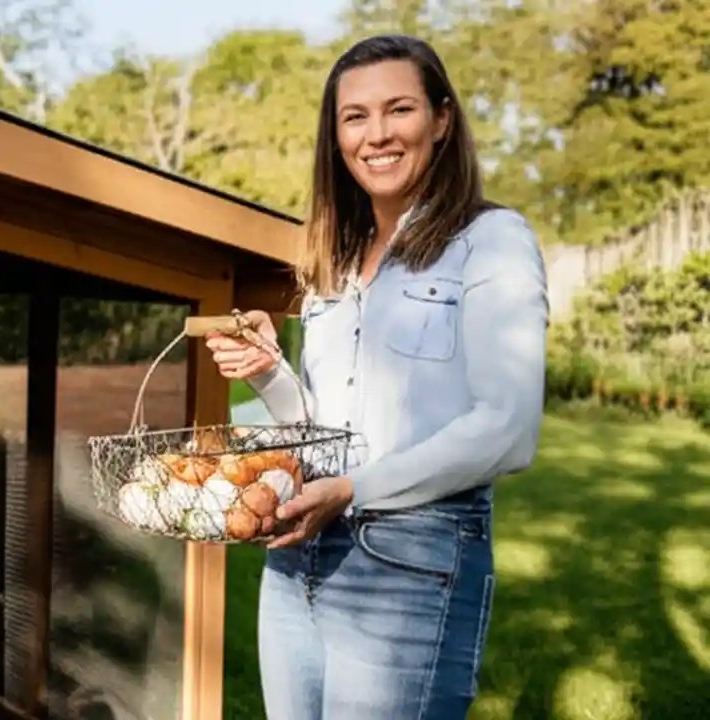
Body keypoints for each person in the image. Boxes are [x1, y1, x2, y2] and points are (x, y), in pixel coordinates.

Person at [205, 35, 548, 719]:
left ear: (441, 120)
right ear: (335, 138)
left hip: (412, 561)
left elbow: (508, 428)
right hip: (299, 554)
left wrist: (354, 489)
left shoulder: (491, 240)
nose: (378, 134)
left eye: (399, 110)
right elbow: (316, 430)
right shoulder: (337, 260)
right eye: (355, 117)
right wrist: (272, 373)